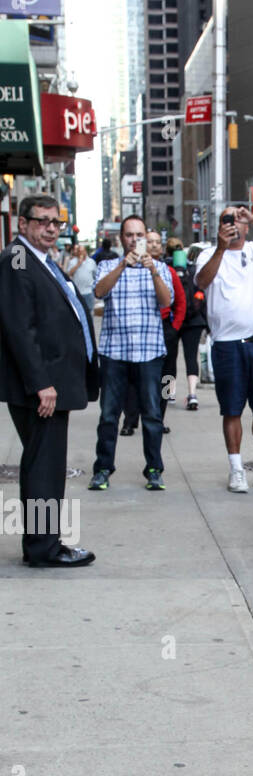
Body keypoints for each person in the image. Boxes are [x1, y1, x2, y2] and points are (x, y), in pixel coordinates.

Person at [0, 194, 98, 567]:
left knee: (47, 466)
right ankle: (43, 549)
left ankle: (46, 543)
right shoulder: (18, 259)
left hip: (53, 385)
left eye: (55, 222)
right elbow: (19, 330)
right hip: (43, 390)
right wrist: (41, 383)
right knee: (43, 469)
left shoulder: (42, 261)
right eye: (41, 221)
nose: (50, 228)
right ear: (22, 224)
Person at [194, 205, 253, 494]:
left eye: (239, 218)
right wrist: (221, 248)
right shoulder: (208, 255)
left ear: (247, 225)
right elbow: (202, 281)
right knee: (232, 410)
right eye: (227, 219)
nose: (234, 223)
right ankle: (236, 470)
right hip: (227, 345)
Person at [88, 214, 173, 492]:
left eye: (139, 236)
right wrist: (124, 265)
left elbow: (166, 301)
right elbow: (99, 292)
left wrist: (154, 271)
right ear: (121, 238)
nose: (134, 240)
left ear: (146, 238)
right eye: (129, 235)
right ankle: (102, 468)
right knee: (109, 414)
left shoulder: (159, 266)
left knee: (152, 414)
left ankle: (154, 469)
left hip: (149, 352)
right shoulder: (108, 265)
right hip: (115, 351)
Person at [120, 231, 186, 437]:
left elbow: (181, 302)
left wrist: (174, 328)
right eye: (150, 242)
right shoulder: (130, 270)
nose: (155, 246)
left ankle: (159, 417)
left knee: (167, 376)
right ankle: (130, 419)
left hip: (165, 329)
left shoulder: (168, 271)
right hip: (138, 329)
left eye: (158, 242)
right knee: (133, 375)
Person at [175, 248, 209, 410]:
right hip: (194, 321)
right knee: (191, 358)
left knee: (169, 360)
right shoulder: (195, 273)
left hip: (173, 320)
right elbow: (202, 296)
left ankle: (168, 394)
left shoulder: (168, 270)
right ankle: (192, 394)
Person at [69, 244, 97, 318]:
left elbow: (95, 275)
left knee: (89, 312)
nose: (81, 253)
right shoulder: (72, 262)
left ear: (85, 252)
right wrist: (78, 264)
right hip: (77, 292)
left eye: (82, 251)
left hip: (88, 292)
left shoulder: (91, 262)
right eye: (79, 251)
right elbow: (69, 273)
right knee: (78, 313)